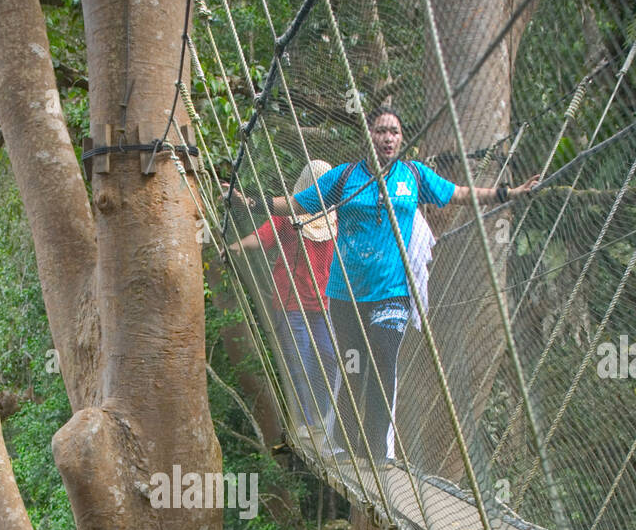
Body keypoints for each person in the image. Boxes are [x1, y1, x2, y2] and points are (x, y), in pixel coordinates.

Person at [271, 107, 540, 467]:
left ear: (401, 139)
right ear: (369, 137)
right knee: (353, 367)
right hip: (347, 292)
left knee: (383, 356)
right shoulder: (345, 177)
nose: (387, 138)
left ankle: (379, 452)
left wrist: (506, 193)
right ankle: (344, 442)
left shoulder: (412, 176)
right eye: (381, 131)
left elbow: (457, 193)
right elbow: (297, 203)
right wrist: (252, 201)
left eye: (394, 132)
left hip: (392, 291)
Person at [228, 161, 339, 439]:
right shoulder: (287, 217)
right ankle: (304, 421)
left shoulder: (337, 218)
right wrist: (240, 245)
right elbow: (263, 236)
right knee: (298, 360)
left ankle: (323, 416)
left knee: (328, 356)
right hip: (291, 302)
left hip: (323, 302)